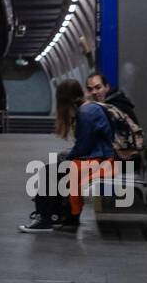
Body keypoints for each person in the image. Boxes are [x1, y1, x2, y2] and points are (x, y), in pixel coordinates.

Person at [19, 79, 115, 233]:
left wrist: (69, 157)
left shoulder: (86, 113)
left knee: (49, 172)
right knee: (56, 169)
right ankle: (61, 216)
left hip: (101, 161)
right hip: (101, 158)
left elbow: (83, 147)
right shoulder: (89, 108)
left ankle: (45, 220)